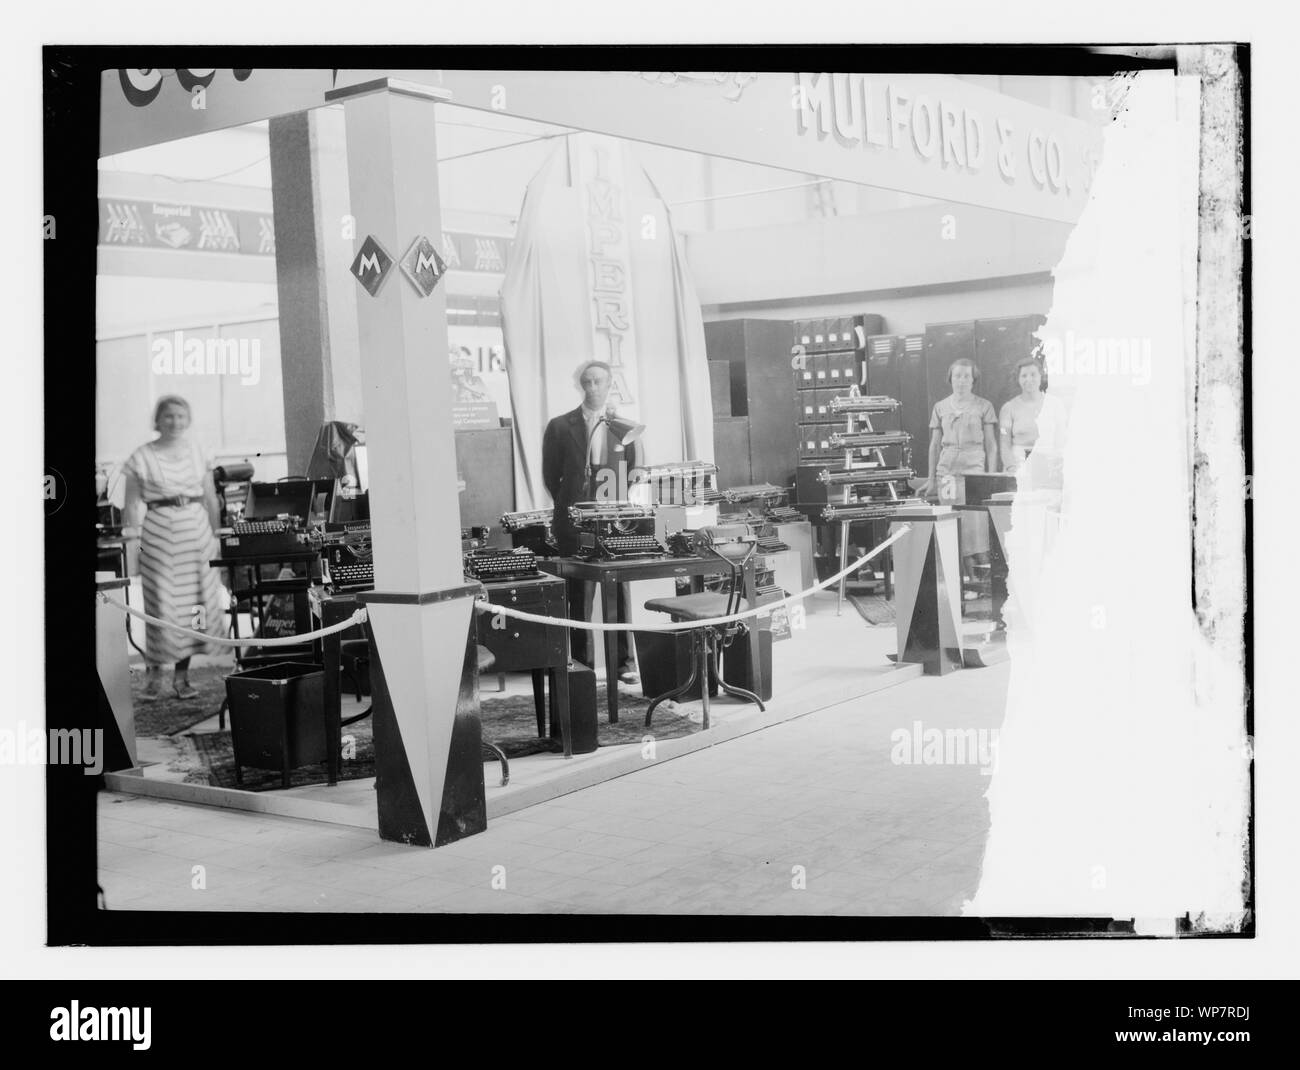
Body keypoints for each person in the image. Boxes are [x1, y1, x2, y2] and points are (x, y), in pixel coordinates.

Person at [541, 361, 643, 684]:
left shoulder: (623, 426)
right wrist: (572, 503)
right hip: (575, 521)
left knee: (619, 593)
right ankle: (583, 666)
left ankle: (624, 665)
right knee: (579, 595)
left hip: (613, 520)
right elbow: (550, 476)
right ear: (579, 386)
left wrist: (615, 504)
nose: (593, 387)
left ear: (610, 383)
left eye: (598, 381)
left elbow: (635, 469)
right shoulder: (560, 427)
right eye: (587, 382)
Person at [121, 396, 226, 701]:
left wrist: (216, 536)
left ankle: (182, 678)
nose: (175, 422)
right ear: (158, 420)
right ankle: (154, 678)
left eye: (181, 416)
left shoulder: (199, 451)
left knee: (195, 607)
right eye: (168, 416)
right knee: (162, 608)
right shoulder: (141, 456)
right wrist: (131, 544)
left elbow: (209, 497)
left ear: (188, 419)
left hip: (196, 537)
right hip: (159, 538)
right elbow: (130, 505)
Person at [920, 357, 999, 568]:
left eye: (966, 376)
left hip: (974, 471)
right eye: (957, 376)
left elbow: (991, 446)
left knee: (976, 524)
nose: (962, 380)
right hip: (946, 473)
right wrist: (931, 480)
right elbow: (934, 446)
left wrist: (990, 479)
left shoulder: (984, 406)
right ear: (950, 379)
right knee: (952, 522)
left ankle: (979, 575)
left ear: (973, 380)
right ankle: (962, 578)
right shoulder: (940, 407)